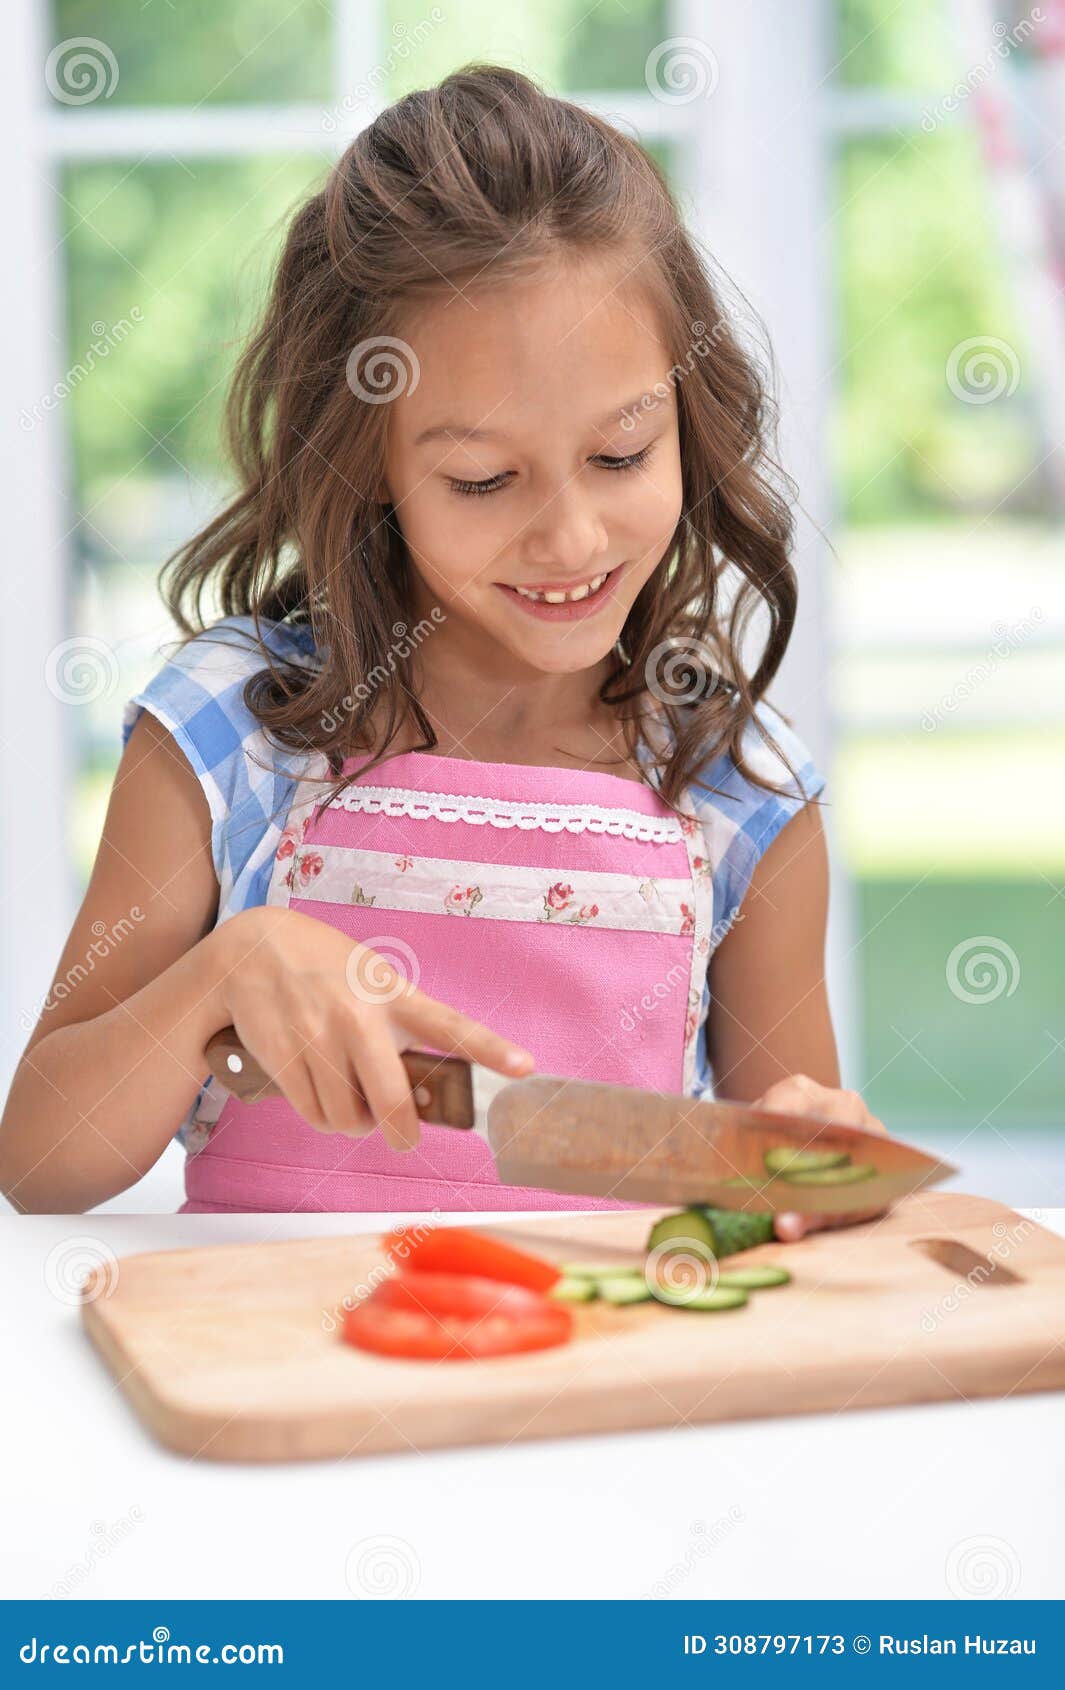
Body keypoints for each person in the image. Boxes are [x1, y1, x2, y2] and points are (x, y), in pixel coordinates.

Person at [0, 65, 885, 1220]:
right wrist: (221, 974)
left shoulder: (738, 785)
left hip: (599, 1383)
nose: (569, 535)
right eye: (482, 478)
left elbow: (793, 1189)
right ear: (371, 457)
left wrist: (828, 1161)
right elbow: (38, 1157)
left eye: (621, 456)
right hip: (281, 1372)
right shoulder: (236, 731)